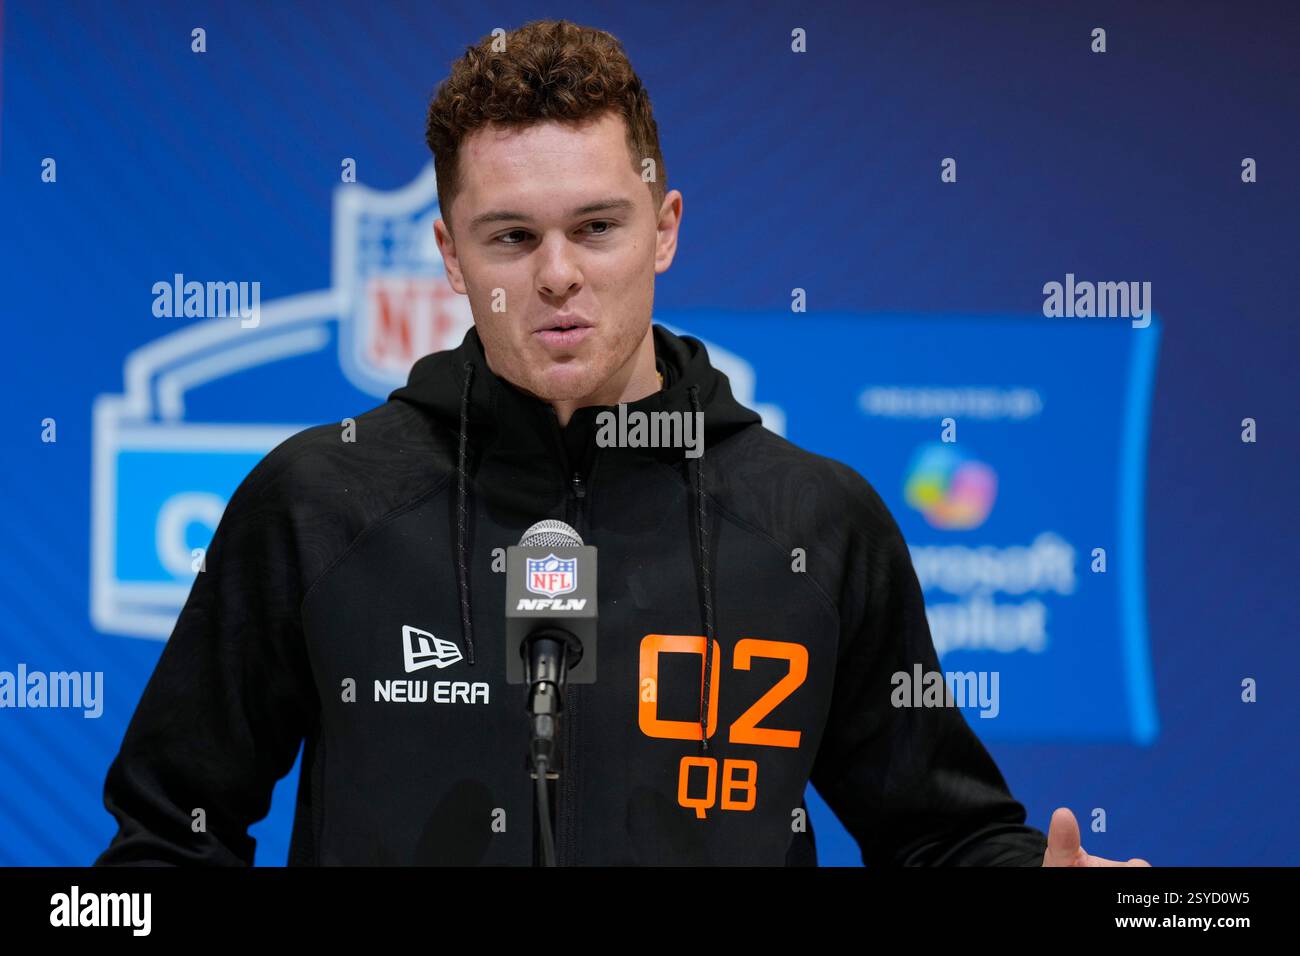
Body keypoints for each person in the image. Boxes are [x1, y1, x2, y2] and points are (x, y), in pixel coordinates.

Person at [96, 18, 1148, 867]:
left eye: (596, 227)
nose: (556, 273)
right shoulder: (317, 502)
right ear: (450, 258)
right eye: (511, 235)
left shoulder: (816, 523)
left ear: (667, 225)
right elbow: (166, 838)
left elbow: (938, 831)